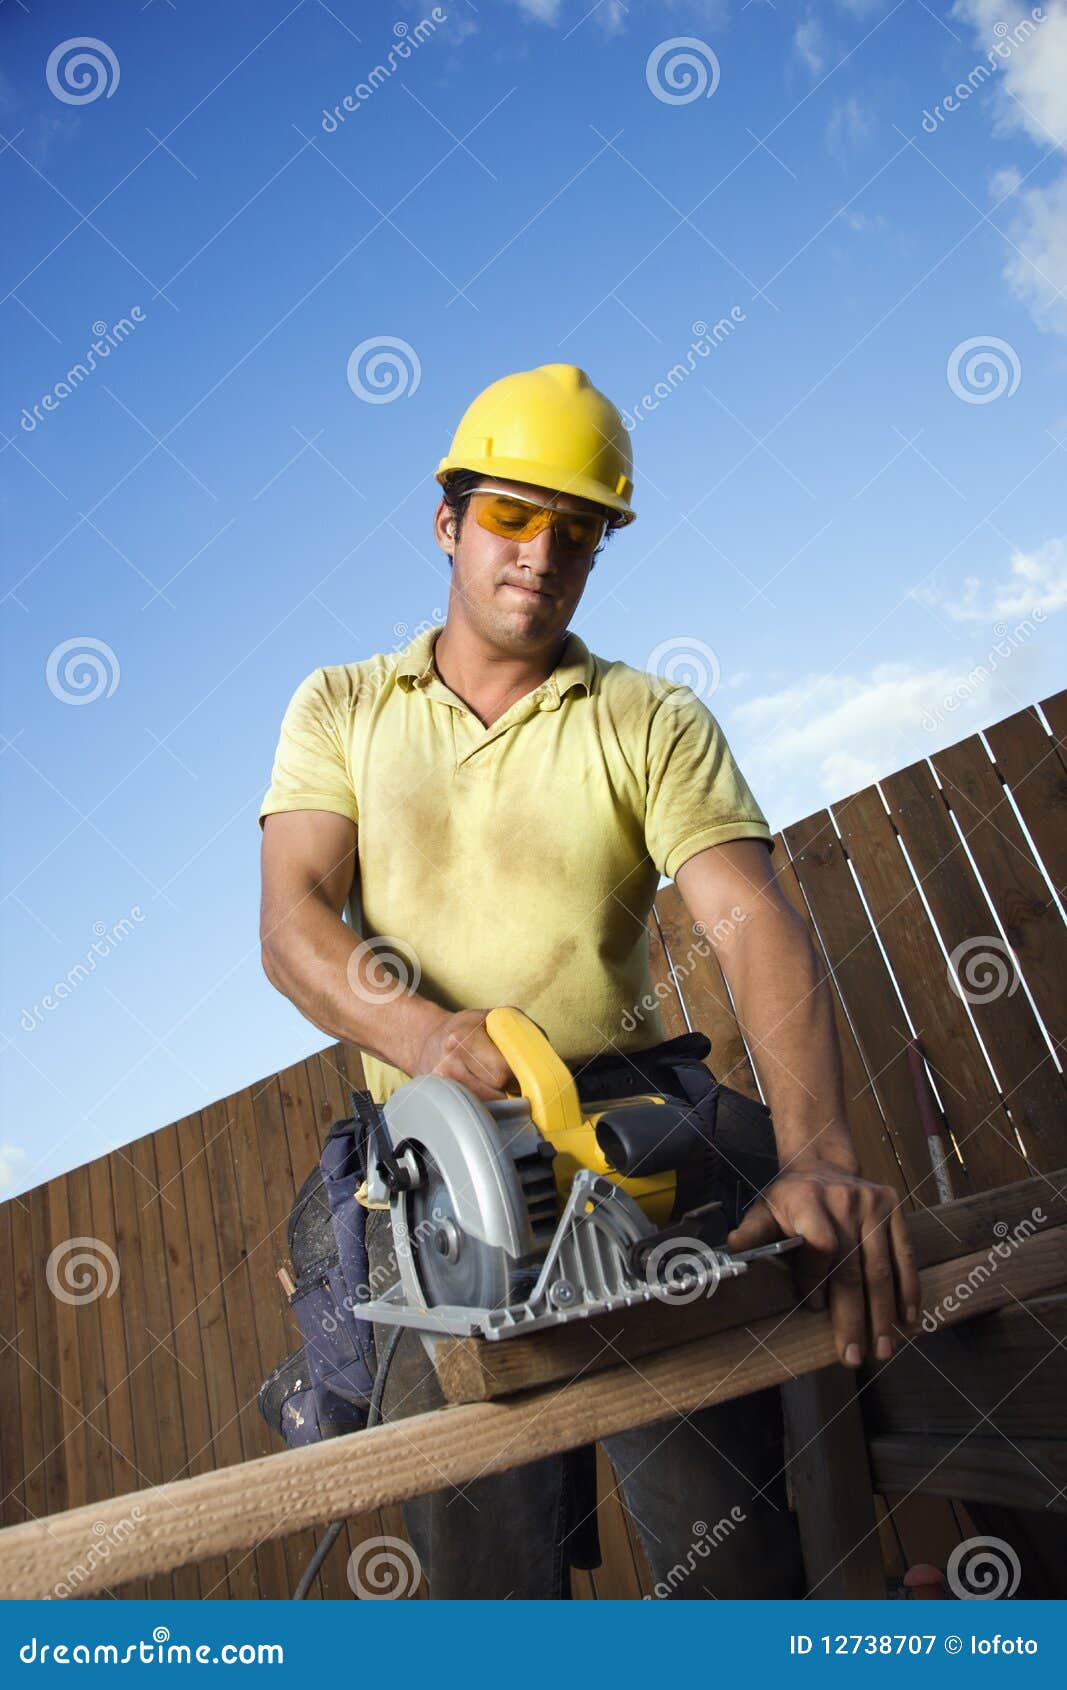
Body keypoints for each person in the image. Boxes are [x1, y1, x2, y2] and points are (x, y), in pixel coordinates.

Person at [258, 362, 920, 1599]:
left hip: (628, 1165)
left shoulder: (646, 717)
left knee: (720, 1547)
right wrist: (429, 1035)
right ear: (447, 520)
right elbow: (291, 919)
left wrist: (817, 1150)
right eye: (511, 515)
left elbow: (748, 916)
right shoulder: (343, 705)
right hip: (436, 1173)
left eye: (578, 530)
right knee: (474, 1579)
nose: (540, 553)